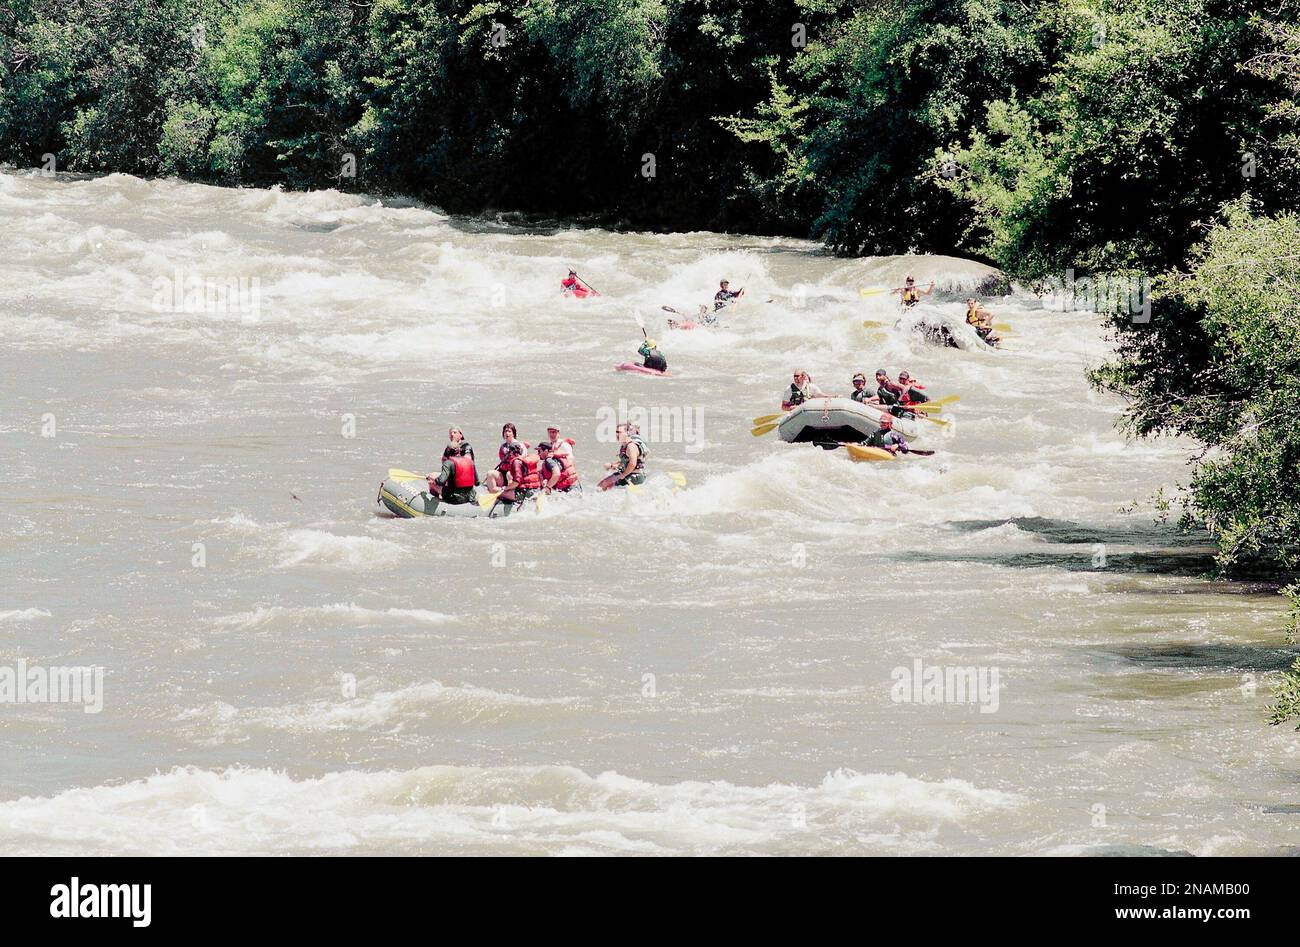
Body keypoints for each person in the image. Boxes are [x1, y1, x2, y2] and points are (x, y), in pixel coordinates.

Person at [599, 422, 647, 490]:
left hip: (635, 477)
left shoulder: (631, 446)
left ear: (627, 433)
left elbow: (632, 464)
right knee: (602, 485)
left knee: (604, 486)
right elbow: (625, 461)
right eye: (616, 432)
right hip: (627, 474)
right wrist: (612, 466)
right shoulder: (624, 445)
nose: (617, 434)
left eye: (619, 432)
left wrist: (623, 475)